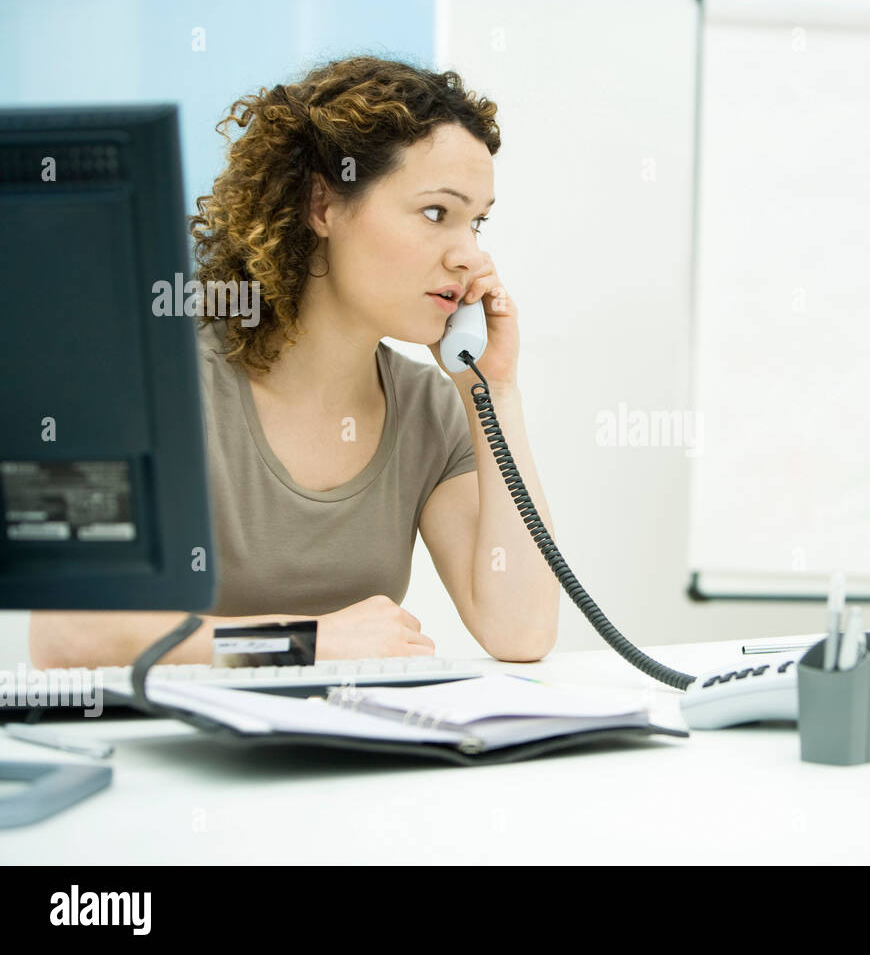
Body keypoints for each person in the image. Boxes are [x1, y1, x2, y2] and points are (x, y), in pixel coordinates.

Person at [30, 56, 560, 668]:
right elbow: (67, 638)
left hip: (336, 757)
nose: (470, 257)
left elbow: (520, 632)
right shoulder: (144, 379)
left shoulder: (431, 410)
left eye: (478, 224)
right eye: (437, 213)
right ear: (323, 206)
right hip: (169, 756)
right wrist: (302, 642)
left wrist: (493, 390)